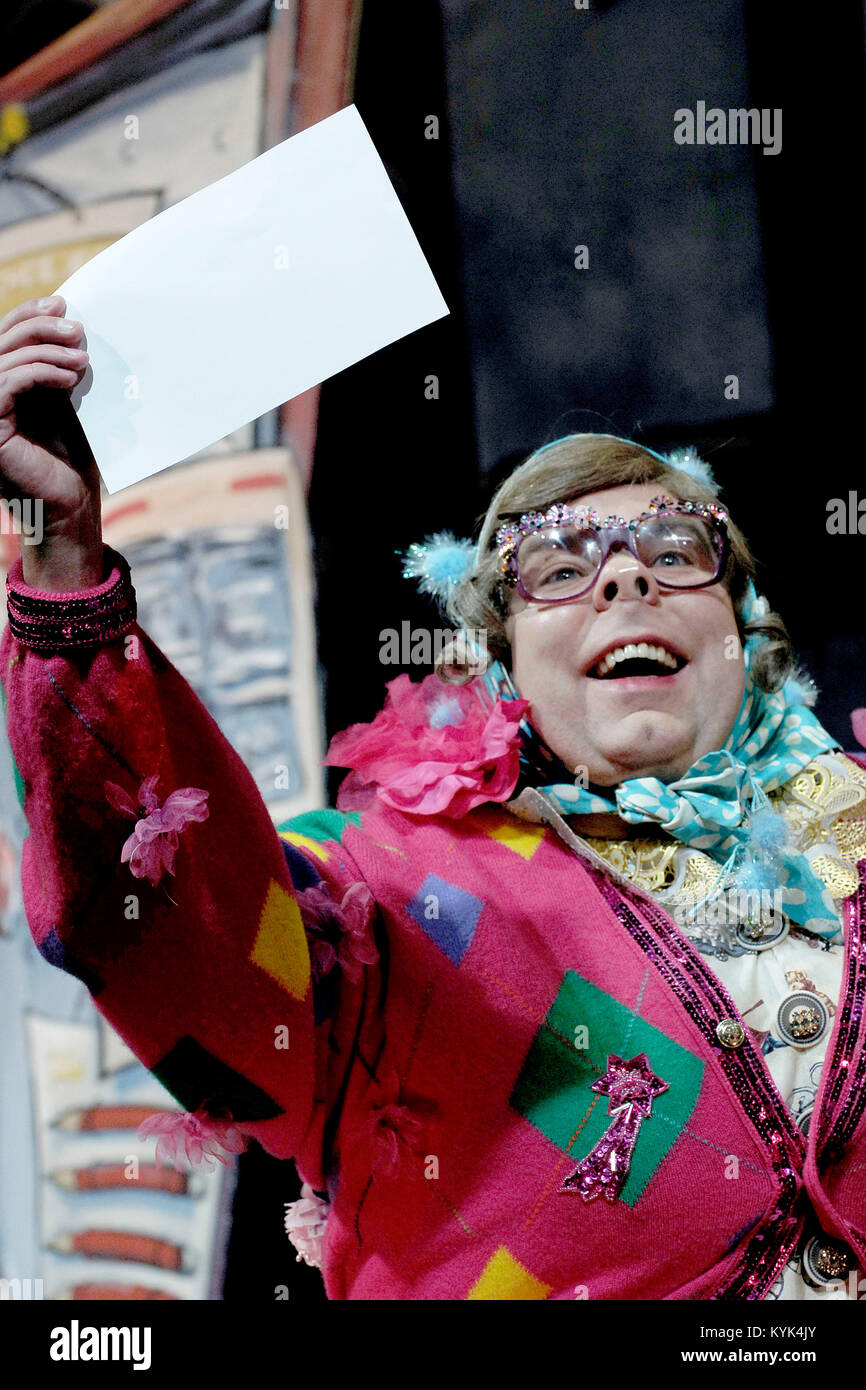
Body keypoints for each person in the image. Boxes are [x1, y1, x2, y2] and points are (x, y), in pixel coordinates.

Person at [1, 294, 865, 1301]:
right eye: (558, 566)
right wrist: (62, 560)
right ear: (496, 665)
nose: (626, 579)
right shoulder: (397, 890)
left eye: (675, 553)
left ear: (742, 628)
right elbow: (173, 921)